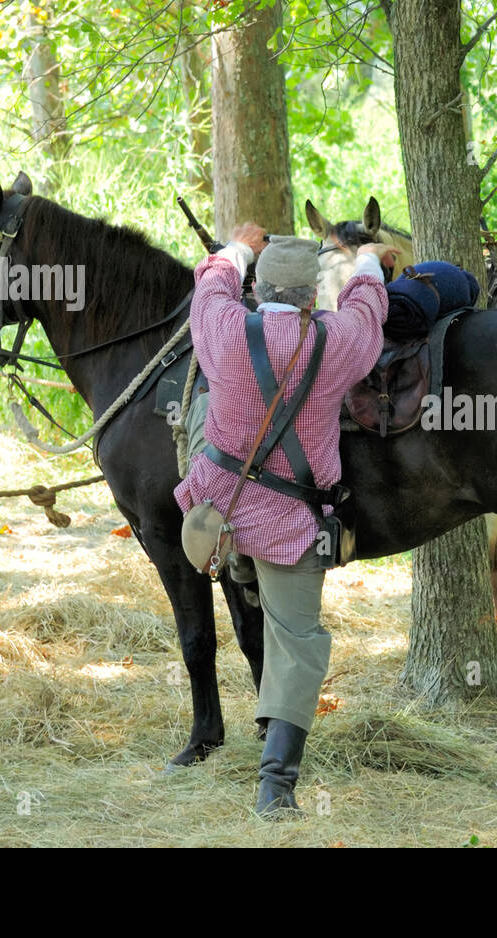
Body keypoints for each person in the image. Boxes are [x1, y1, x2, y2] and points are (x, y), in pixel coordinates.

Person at [174, 222, 399, 817]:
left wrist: (241, 246)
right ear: (310, 296)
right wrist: (370, 262)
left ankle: (241, 570)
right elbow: (367, 309)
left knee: (200, 407)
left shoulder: (222, 329)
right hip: (290, 520)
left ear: (260, 287)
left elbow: (212, 283)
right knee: (299, 642)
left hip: (218, 505)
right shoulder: (337, 340)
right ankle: (275, 785)